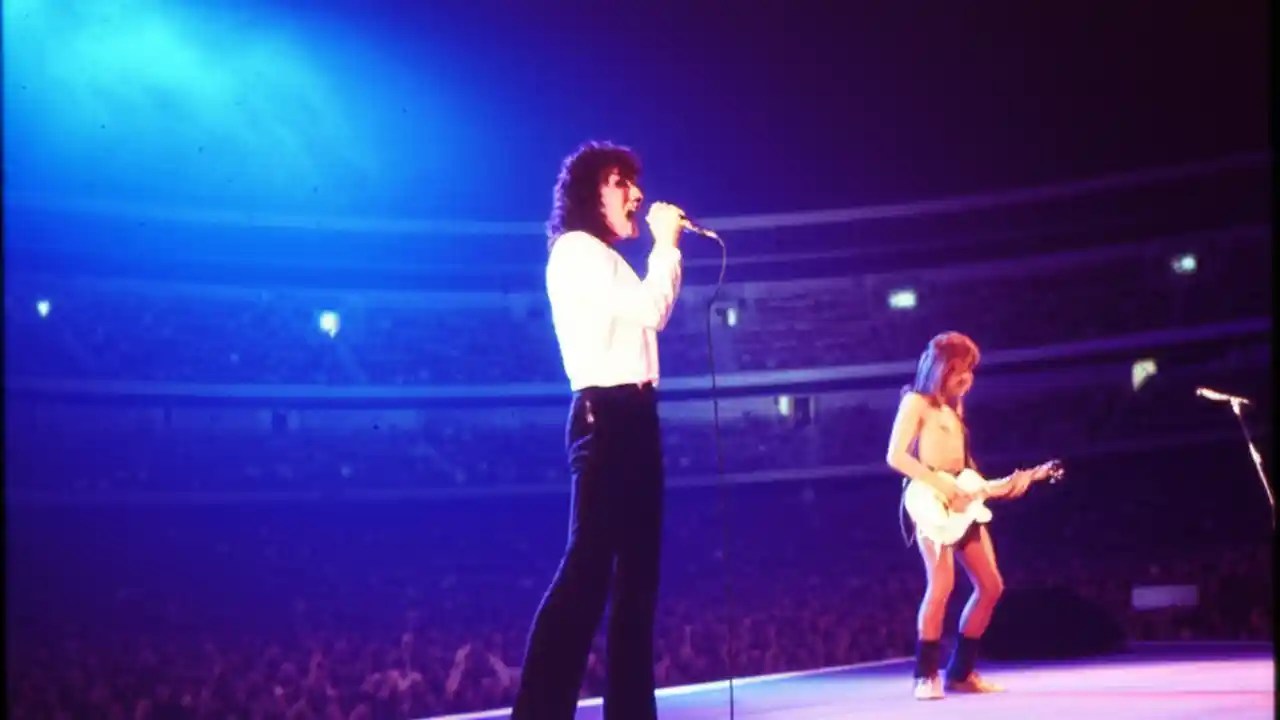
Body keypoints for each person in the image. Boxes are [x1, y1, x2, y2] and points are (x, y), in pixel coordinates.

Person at [512, 140, 685, 720]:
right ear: (591, 193)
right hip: (607, 418)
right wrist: (665, 245)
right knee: (587, 572)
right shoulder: (577, 251)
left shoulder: (606, 258)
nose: (637, 194)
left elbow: (643, 310)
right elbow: (650, 310)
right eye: (621, 182)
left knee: (637, 582)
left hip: (634, 416)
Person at [885, 331, 1050, 700]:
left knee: (991, 585)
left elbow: (967, 470)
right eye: (962, 369)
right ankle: (924, 674)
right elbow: (896, 456)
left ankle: (961, 673)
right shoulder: (916, 402)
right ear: (943, 367)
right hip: (931, 500)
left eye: (972, 370)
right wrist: (942, 487)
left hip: (962, 501)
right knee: (941, 585)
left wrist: (1009, 484)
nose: (968, 377)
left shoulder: (954, 410)